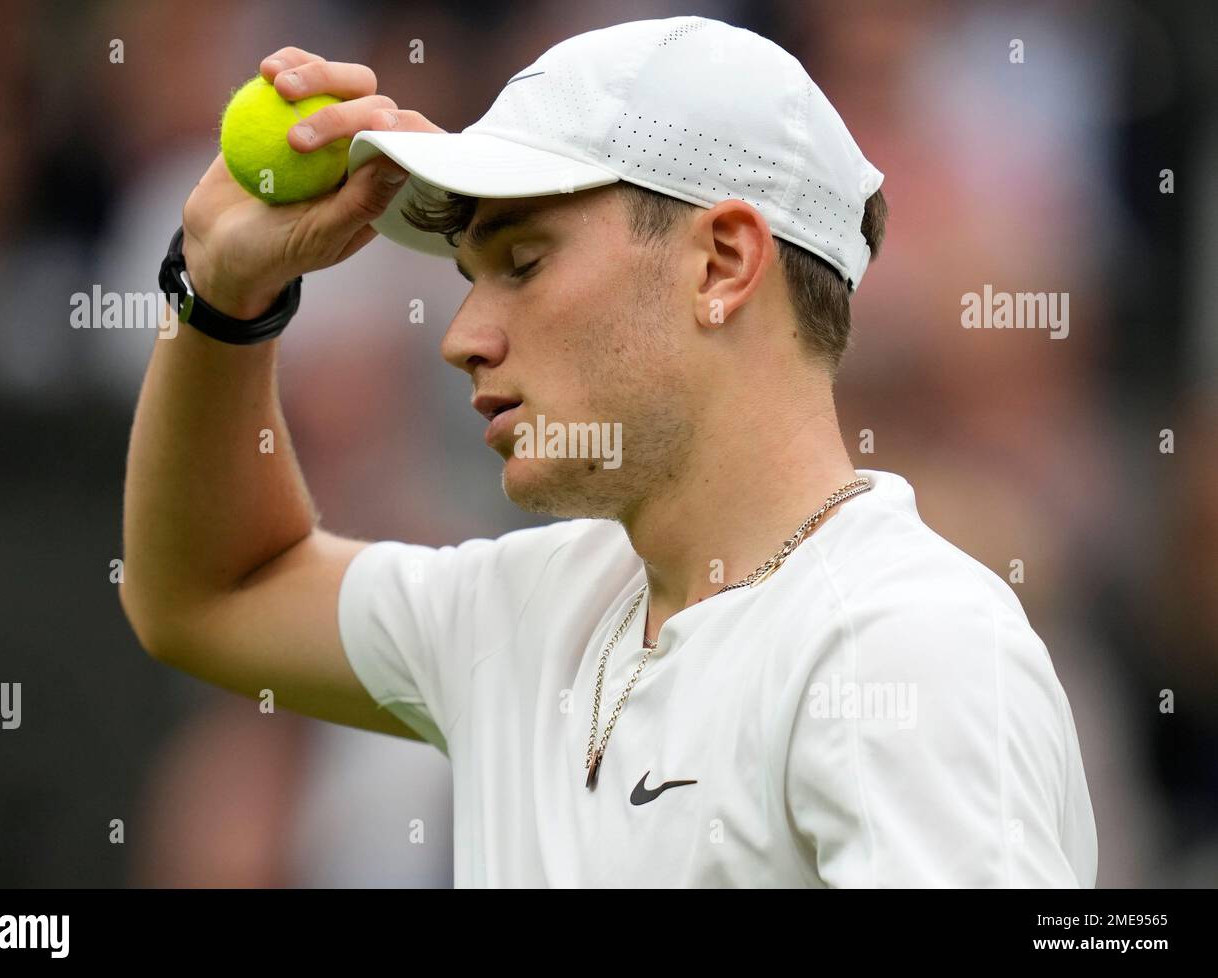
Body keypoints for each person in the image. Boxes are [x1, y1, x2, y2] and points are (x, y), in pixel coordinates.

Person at [121, 15, 1097, 887]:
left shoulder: (907, 650)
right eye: (471, 275)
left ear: (721, 264)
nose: (461, 336)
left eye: (524, 263)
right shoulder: (524, 608)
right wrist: (219, 299)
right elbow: (212, 591)